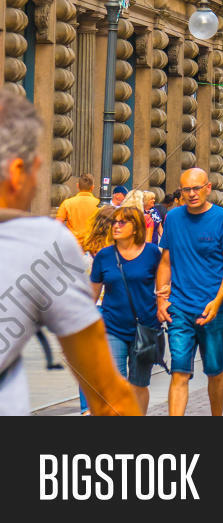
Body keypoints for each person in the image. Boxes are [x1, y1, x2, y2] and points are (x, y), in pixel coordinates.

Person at [0, 95, 140, 415]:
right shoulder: (43, 243)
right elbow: (107, 392)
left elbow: (61, 220)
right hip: (85, 253)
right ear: (20, 171)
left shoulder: (65, 208)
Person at [155, 167, 223, 416]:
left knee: (214, 369)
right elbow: (166, 262)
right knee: (179, 370)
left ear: (208, 188)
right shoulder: (174, 218)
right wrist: (161, 300)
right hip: (180, 307)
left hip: (215, 308)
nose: (191, 194)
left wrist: (217, 301)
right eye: (186, 189)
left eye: (196, 188)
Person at [87, 205, 162, 413]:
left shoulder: (152, 253)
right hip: (113, 327)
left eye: (122, 222)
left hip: (144, 329)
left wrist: (163, 307)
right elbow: (92, 294)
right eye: (114, 222)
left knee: (139, 385)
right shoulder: (104, 256)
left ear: (136, 228)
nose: (115, 226)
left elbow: (165, 285)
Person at [54, 174, 100, 249]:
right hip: (92, 246)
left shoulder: (67, 203)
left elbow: (57, 225)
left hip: (73, 246)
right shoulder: (99, 204)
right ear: (92, 187)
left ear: (78, 186)